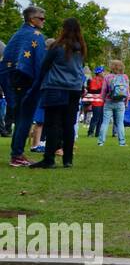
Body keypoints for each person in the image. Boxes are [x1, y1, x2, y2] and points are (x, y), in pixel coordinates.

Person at [28, 18, 86, 170]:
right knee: (68, 125)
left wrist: (37, 85)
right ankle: (68, 159)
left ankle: (49, 159)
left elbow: (45, 66)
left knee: (53, 124)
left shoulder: (57, 46)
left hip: (56, 87)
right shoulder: (81, 48)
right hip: (74, 89)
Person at [4, 4, 46, 167]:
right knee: (25, 119)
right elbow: (39, 62)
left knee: (21, 118)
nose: (43, 21)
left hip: (14, 82)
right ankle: (17, 155)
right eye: (41, 18)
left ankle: (17, 153)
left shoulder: (16, 36)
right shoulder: (36, 36)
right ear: (31, 19)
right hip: (28, 81)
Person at [95, 59, 130, 147]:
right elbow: (127, 92)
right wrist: (126, 103)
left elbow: (104, 90)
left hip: (109, 101)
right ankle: (122, 142)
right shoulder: (125, 77)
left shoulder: (107, 77)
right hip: (120, 102)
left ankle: (101, 142)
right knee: (120, 123)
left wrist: (103, 100)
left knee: (105, 122)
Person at [85, 66, 106, 138]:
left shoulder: (104, 80)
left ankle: (98, 133)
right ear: (99, 72)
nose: (104, 73)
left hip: (103, 102)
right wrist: (103, 90)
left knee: (101, 119)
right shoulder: (94, 80)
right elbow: (93, 91)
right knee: (95, 118)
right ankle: (90, 132)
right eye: (103, 71)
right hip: (96, 102)